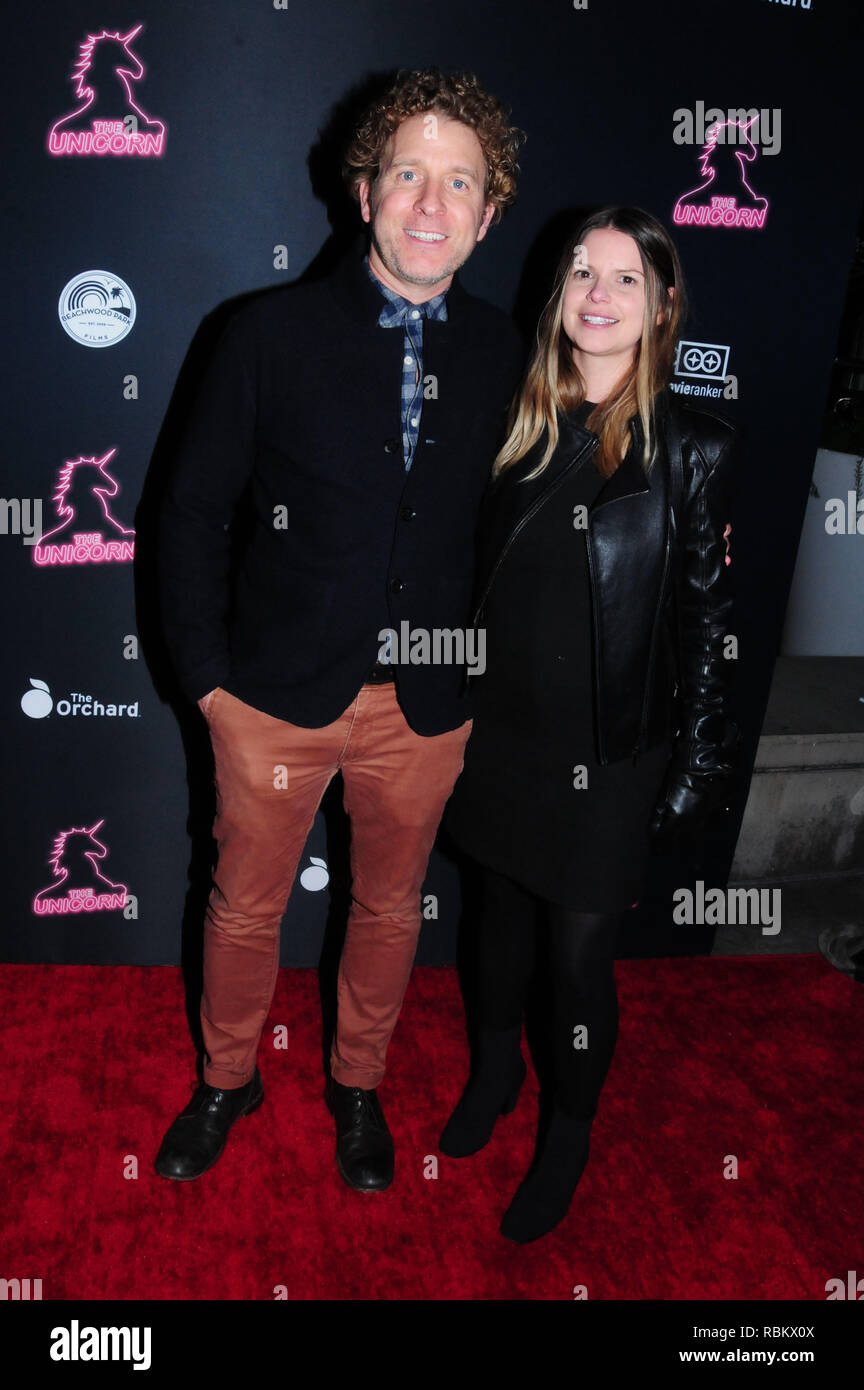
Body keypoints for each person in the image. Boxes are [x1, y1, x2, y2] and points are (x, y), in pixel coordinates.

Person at [154, 68, 525, 1190]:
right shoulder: (264, 335)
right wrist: (208, 682)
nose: (430, 203)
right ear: (365, 192)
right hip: (270, 696)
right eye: (408, 173)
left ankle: (357, 1083)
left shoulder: (509, 354)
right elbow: (188, 512)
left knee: (388, 907)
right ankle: (227, 1079)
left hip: (427, 705)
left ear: (488, 214)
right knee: (243, 908)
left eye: (459, 182)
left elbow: (554, 502)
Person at [441, 206, 740, 1242]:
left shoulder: (692, 448)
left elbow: (709, 622)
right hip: (499, 737)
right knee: (494, 922)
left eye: (623, 278)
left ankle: (567, 1136)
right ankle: (494, 1076)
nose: (597, 294)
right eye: (580, 273)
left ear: (662, 307)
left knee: (574, 962)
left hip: (609, 756)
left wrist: (698, 764)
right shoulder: (514, 423)